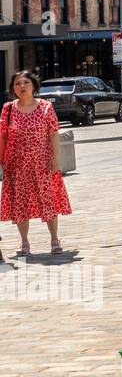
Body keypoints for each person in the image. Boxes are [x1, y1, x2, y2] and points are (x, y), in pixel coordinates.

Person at [0, 71, 72, 256]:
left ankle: (54, 239)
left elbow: (53, 133)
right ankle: (24, 243)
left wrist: (56, 158)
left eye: (26, 82)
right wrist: (3, 161)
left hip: (42, 163)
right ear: (12, 88)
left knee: (48, 201)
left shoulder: (46, 107)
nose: (22, 86)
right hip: (16, 164)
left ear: (34, 86)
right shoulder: (8, 109)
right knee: (20, 205)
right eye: (17, 83)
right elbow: (3, 136)